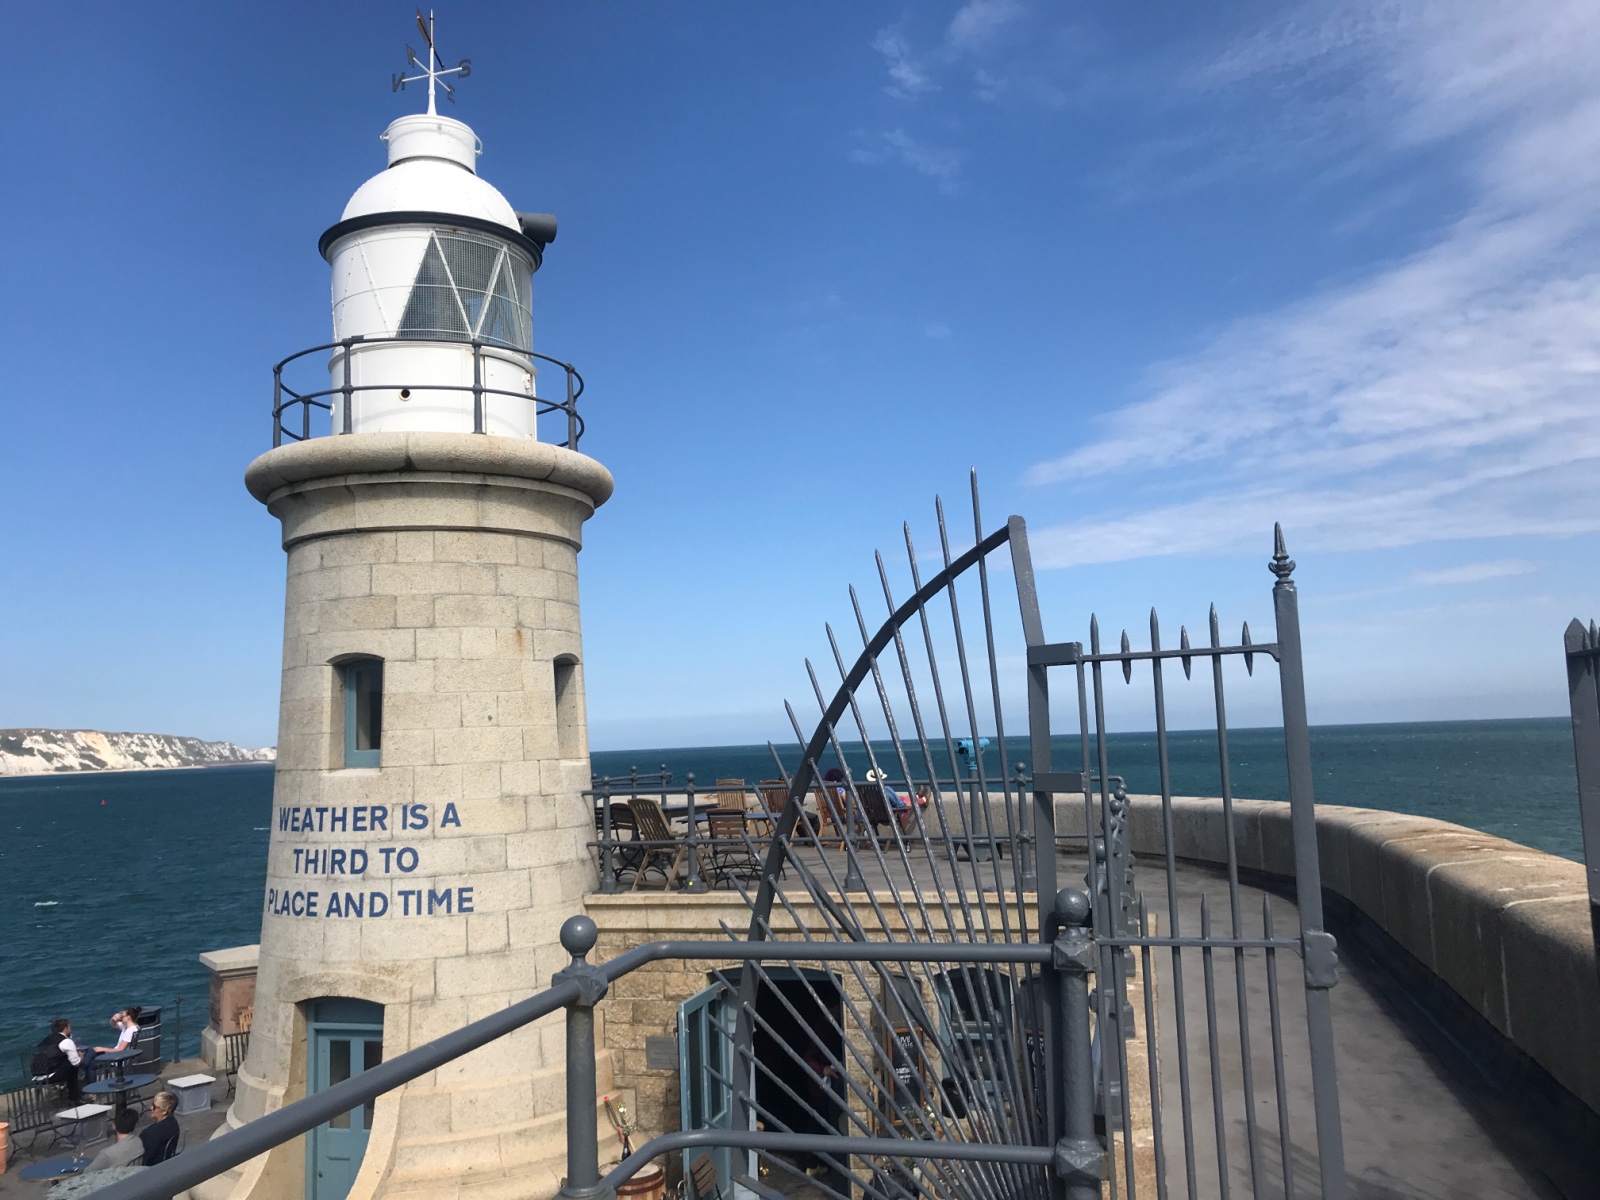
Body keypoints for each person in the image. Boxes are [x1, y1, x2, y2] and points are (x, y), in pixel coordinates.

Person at [30, 1018, 84, 1103]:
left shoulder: (45, 1040)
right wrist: (81, 1056)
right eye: (69, 1027)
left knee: (66, 1063)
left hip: (36, 1076)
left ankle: (70, 1095)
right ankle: (74, 1098)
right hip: (51, 1076)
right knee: (72, 1066)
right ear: (66, 1028)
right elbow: (76, 1062)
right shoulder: (65, 1041)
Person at [139, 1091, 180, 1165]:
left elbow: (146, 1157)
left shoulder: (152, 1132)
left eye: (154, 1106)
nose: (151, 1108)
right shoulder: (173, 1123)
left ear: (164, 1111)